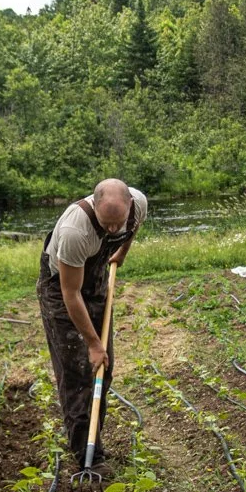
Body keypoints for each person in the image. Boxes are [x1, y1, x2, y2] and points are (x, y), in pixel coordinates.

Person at [36, 178, 148, 473]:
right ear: (95, 206)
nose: (113, 230)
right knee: (78, 374)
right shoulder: (76, 230)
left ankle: (93, 440)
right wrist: (93, 343)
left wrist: (121, 252)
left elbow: (131, 229)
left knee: (103, 369)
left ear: (129, 207)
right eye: (106, 223)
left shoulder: (138, 206)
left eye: (118, 223)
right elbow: (70, 293)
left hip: (95, 279)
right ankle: (88, 458)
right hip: (62, 292)